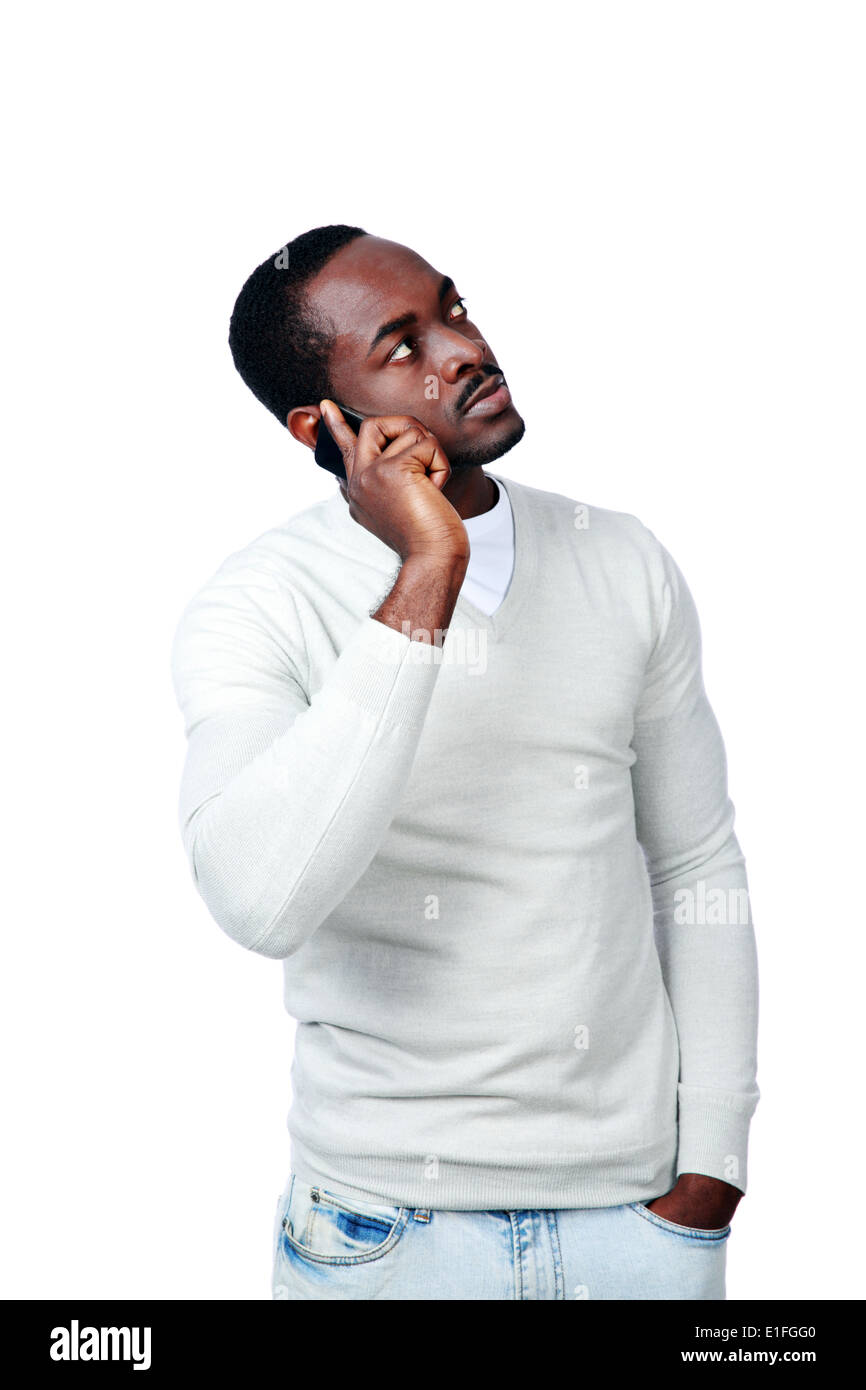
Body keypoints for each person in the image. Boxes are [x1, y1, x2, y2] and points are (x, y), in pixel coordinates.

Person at [170, 224, 759, 1300]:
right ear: (323, 426)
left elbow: (695, 866)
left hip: (635, 1226)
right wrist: (427, 568)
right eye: (401, 346)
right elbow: (261, 899)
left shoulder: (620, 557)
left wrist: (710, 1166)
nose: (462, 347)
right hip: (382, 1233)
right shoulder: (255, 605)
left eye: (452, 306)